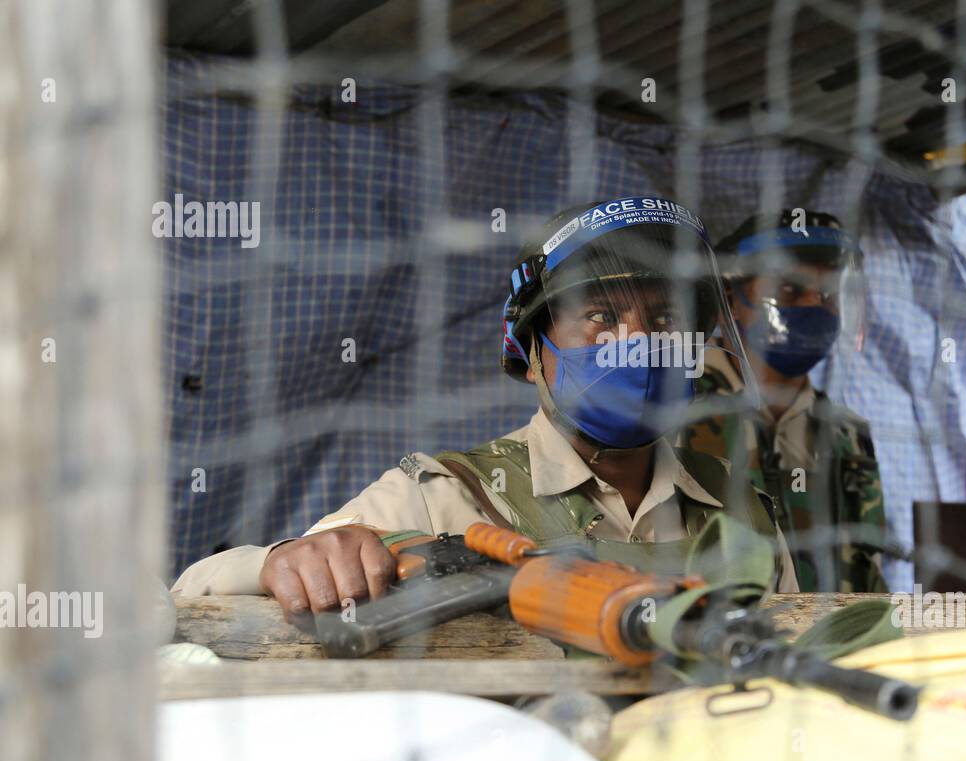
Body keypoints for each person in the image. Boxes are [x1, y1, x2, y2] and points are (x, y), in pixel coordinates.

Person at [172, 196, 798, 619]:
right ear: (533, 354)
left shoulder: (744, 514)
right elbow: (196, 595)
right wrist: (283, 559)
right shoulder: (446, 496)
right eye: (600, 318)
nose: (636, 344)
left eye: (665, 320)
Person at [679, 209, 887, 592]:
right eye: (790, 290)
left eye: (828, 295)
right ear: (729, 297)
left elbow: (868, 577)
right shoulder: (672, 414)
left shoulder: (847, 434)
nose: (814, 306)